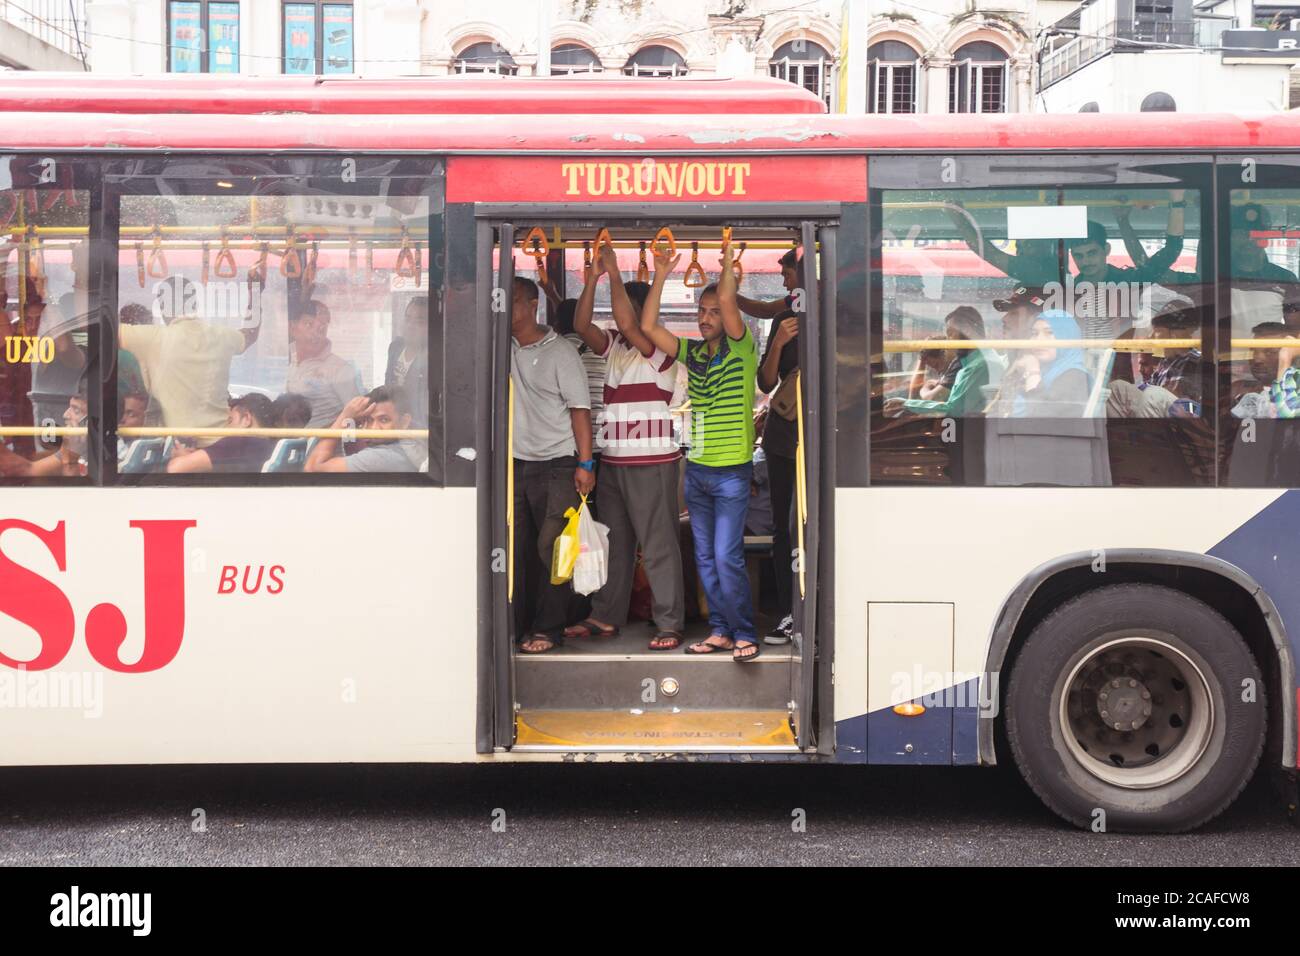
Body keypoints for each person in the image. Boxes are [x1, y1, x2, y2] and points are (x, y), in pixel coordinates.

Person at [639, 240, 761, 663]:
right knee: (706, 559)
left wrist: (727, 265)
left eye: (713, 312)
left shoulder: (742, 348)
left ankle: (745, 632)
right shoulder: (694, 354)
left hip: (731, 475)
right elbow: (649, 326)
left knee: (727, 558)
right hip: (698, 471)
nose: (707, 318)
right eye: (702, 312)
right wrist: (660, 273)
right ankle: (722, 631)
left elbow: (728, 298)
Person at [562, 241, 686, 651]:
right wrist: (595, 276)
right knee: (614, 543)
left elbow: (631, 326)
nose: (620, 319)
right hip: (613, 460)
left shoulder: (661, 351)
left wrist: (615, 273)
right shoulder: (615, 346)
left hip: (652, 462)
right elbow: (581, 324)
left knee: (657, 547)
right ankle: (606, 615)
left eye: (625, 311)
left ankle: (669, 622)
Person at [507, 277, 595, 654]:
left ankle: (549, 628)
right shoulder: (501, 346)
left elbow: (580, 411)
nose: (503, 308)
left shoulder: (561, 352)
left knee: (554, 549)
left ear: (532, 305)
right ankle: (520, 625)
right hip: (515, 463)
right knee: (519, 549)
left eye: (510, 301)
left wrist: (585, 463)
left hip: (559, 462)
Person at [119, 276, 258, 439]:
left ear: (162, 307)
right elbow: (251, 333)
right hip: (221, 445)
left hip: (178, 447)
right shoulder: (221, 335)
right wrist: (256, 290)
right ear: (195, 304)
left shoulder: (154, 338)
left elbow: (106, 330)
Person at [755, 253, 804, 646]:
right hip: (783, 438)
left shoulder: (835, 314)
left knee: (806, 527)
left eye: (786, 269)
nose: (782, 276)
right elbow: (766, 382)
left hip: (819, 440)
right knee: (783, 530)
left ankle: (810, 611)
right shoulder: (782, 320)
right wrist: (781, 343)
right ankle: (788, 612)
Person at [1066, 195, 1186, 339]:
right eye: (1079, 256)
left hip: (1122, 357)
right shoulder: (1067, 290)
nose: (1085, 261)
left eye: (1092, 253)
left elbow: (1172, 250)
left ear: (1106, 249)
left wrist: (1177, 201)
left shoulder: (1131, 281)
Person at [884, 307, 994, 419]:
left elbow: (953, 409)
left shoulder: (977, 365)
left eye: (951, 334)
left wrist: (905, 404)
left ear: (968, 331)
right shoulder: (969, 362)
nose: (948, 342)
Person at [988, 310, 1091, 417]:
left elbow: (1040, 420)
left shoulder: (1074, 376)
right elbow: (999, 409)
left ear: (1067, 337)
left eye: (1049, 333)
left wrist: (1033, 371)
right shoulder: (1042, 369)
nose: (1039, 340)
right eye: (1034, 334)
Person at [1107, 307, 1203, 418]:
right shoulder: (1167, 362)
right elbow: (1151, 387)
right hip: (1161, 407)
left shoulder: (1196, 362)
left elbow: (1184, 399)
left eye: (1156, 330)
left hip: (1190, 414)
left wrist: (1153, 391)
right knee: (1117, 387)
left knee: (1153, 394)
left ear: (1173, 334)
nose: (1151, 336)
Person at [304, 385, 425, 473]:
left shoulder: (384, 457)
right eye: (369, 420)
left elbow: (312, 469)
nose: (373, 429)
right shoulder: (413, 440)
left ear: (404, 422)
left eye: (384, 420)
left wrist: (344, 418)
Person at [287, 300, 363, 428]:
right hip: (292, 442)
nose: (316, 331)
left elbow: (357, 418)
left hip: (325, 445)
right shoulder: (290, 363)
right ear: (292, 327)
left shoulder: (340, 369)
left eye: (322, 326)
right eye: (309, 324)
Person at [549, 295, 607, 456]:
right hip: (603, 438)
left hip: (571, 445)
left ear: (557, 325)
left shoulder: (555, 351)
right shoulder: (602, 350)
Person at [167, 392, 276, 474]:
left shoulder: (239, 443)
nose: (227, 427)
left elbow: (175, 468)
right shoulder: (270, 446)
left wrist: (180, 456)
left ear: (247, 419)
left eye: (230, 420)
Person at [385, 296, 430, 427]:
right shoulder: (396, 347)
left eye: (419, 321)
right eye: (408, 318)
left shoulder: (432, 357)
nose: (411, 326)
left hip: (417, 426)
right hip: (392, 420)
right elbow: (388, 383)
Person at [737, 247, 801, 319]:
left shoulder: (802, 298)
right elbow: (766, 310)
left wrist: (730, 296)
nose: (784, 284)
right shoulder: (800, 298)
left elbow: (766, 310)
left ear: (803, 273)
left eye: (787, 276)